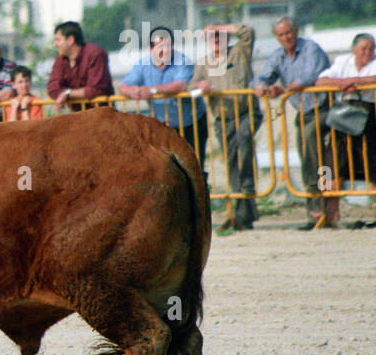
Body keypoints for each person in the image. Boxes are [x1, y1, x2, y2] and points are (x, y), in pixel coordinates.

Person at [253, 17, 331, 228]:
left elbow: (308, 78)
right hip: (303, 112)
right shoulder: (278, 55)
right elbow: (262, 76)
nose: (286, 38)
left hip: (325, 108)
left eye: (288, 33)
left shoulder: (310, 49)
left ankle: (326, 207)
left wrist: (282, 89)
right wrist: (260, 86)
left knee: (319, 157)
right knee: (307, 157)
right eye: (281, 35)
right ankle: (315, 210)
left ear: (296, 31)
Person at [192, 23, 261, 232]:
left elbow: (248, 32)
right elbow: (192, 84)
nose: (216, 40)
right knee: (231, 159)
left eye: (219, 37)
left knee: (244, 147)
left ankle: (244, 209)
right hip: (223, 118)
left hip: (246, 112)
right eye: (211, 38)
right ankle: (242, 212)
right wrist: (199, 86)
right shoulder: (204, 63)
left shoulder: (240, 52)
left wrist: (219, 26)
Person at [118, 26, 207, 165]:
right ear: (150, 48)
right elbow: (122, 87)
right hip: (163, 125)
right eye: (160, 46)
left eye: (168, 46)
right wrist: (132, 91)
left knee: (194, 165)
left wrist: (152, 90)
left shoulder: (183, 61)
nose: (164, 50)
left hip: (191, 122)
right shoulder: (142, 64)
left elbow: (180, 85)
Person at [316, 32, 376, 227]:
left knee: (372, 165)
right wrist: (342, 83)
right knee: (328, 165)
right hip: (342, 116)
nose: (367, 52)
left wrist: (353, 81)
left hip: (368, 114)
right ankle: (329, 213)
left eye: (370, 48)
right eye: (363, 48)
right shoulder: (343, 61)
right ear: (354, 49)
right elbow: (320, 81)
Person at [48, 20, 114, 111]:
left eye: (58, 40)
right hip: (78, 117)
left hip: (101, 116)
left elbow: (96, 90)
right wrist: (74, 94)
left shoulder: (95, 54)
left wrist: (67, 94)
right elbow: (52, 89)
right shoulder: (60, 59)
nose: (54, 44)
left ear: (70, 40)